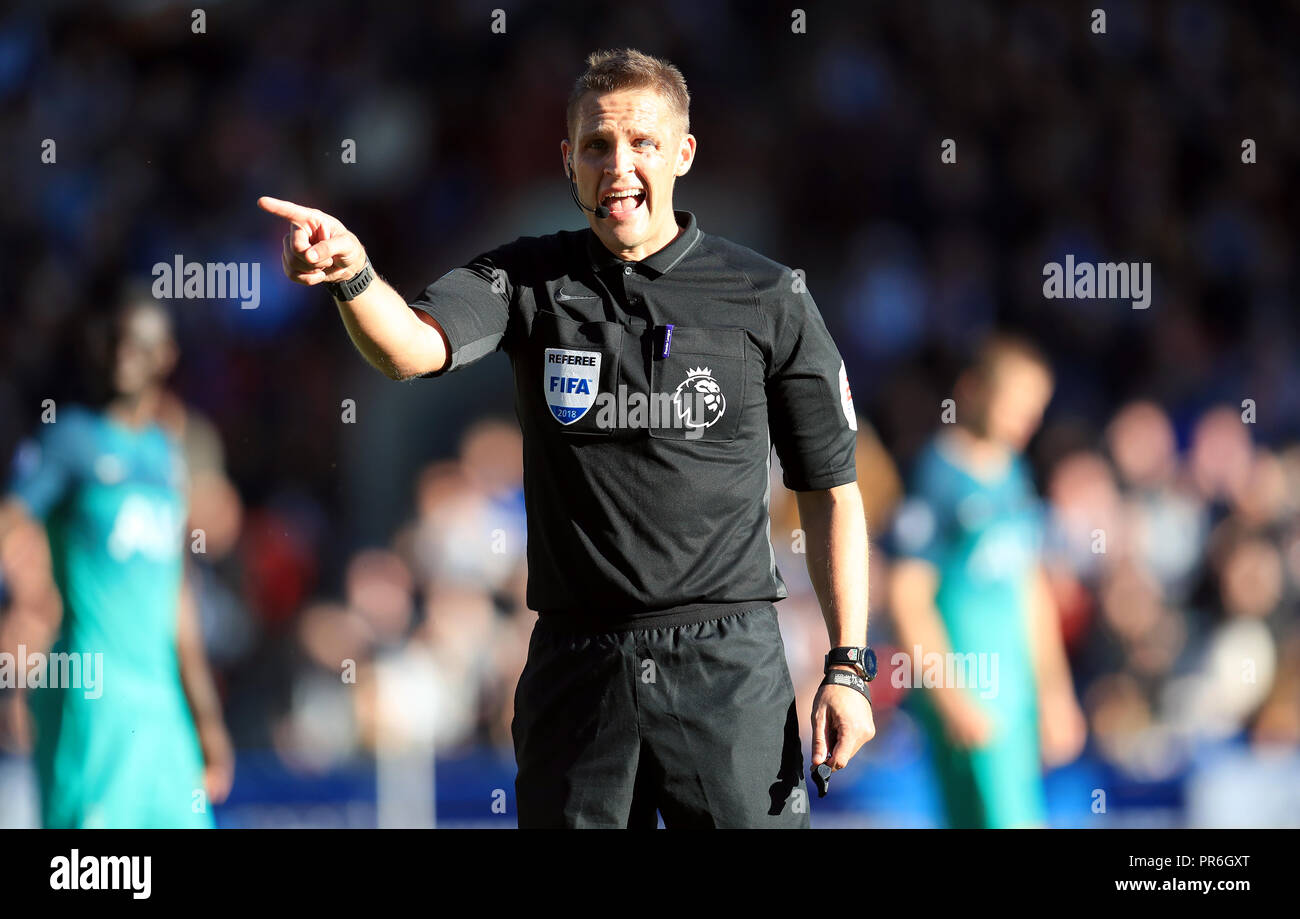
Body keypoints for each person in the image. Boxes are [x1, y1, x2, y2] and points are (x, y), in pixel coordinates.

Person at [258, 47, 874, 828]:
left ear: (682, 153)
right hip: (578, 672)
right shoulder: (525, 281)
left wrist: (848, 666)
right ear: (568, 160)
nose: (619, 165)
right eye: (596, 145)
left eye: (642, 143)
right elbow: (409, 348)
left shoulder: (770, 296)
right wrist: (353, 274)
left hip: (729, 670)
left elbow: (830, 491)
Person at [0, 297, 234, 828]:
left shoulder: (165, 455)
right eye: (115, 341)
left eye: (139, 343)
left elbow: (175, 594)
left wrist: (206, 715)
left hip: (162, 709)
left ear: (166, 356)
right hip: (92, 701)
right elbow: (10, 525)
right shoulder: (68, 441)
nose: (124, 356)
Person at [888, 335, 1086, 828]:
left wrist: (1055, 692)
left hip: (1015, 690)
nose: (1027, 417)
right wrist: (950, 694)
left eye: (1035, 405)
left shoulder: (1016, 474)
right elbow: (907, 596)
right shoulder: (936, 475)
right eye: (1016, 400)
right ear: (973, 391)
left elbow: (1029, 589)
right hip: (969, 689)